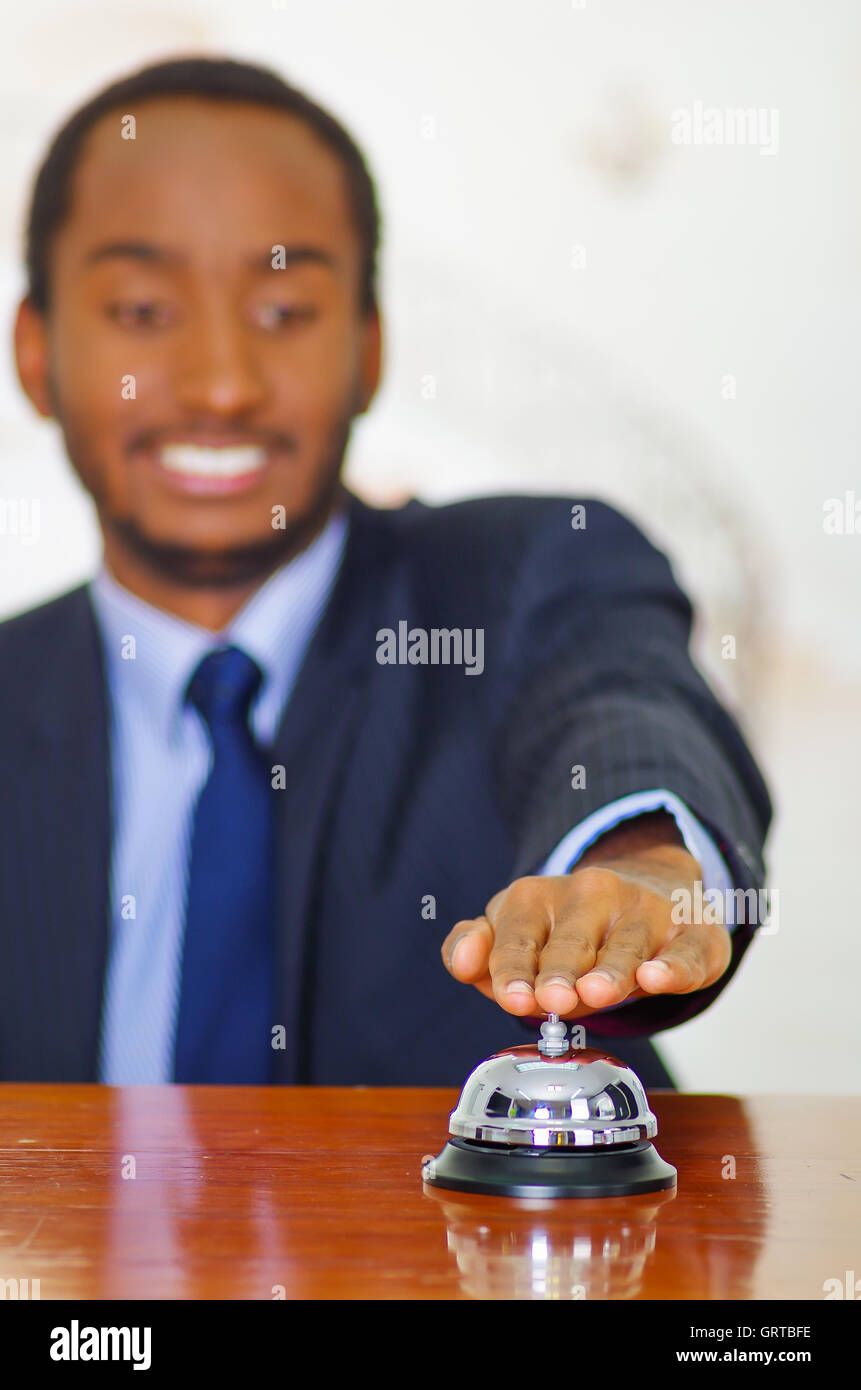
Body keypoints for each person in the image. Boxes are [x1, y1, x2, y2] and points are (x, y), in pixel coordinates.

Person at [1, 56, 772, 1089]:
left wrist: (637, 870)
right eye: (142, 311)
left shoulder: (524, 580)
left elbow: (623, 709)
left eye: (285, 312)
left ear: (370, 350)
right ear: (36, 353)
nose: (222, 386)